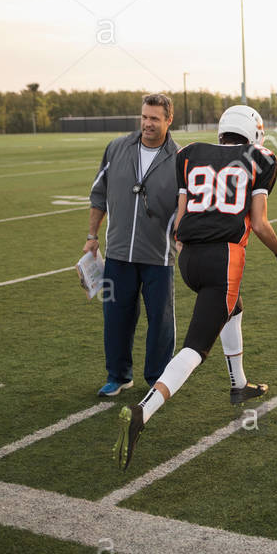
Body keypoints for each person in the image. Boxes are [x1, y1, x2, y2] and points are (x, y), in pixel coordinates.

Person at [114, 105, 277, 469]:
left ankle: (239, 384)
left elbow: (180, 217)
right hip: (223, 258)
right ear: (255, 132)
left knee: (234, 307)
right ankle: (144, 410)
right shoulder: (261, 158)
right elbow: (260, 224)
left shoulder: (189, 154)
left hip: (189, 259)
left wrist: (191, 249)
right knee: (196, 347)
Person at [86, 94, 180, 397]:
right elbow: (98, 194)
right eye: (144, 117)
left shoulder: (180, 157)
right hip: (117, 253)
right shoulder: (117, 148)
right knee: (115, 317)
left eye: (154, 118)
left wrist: (183, 238)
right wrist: (91, 236)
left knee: (160, 322)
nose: (147, 123)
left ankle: (157, 380)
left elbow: (186, 205)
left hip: (159, 254)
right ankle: (118, 375)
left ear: (169, 120)